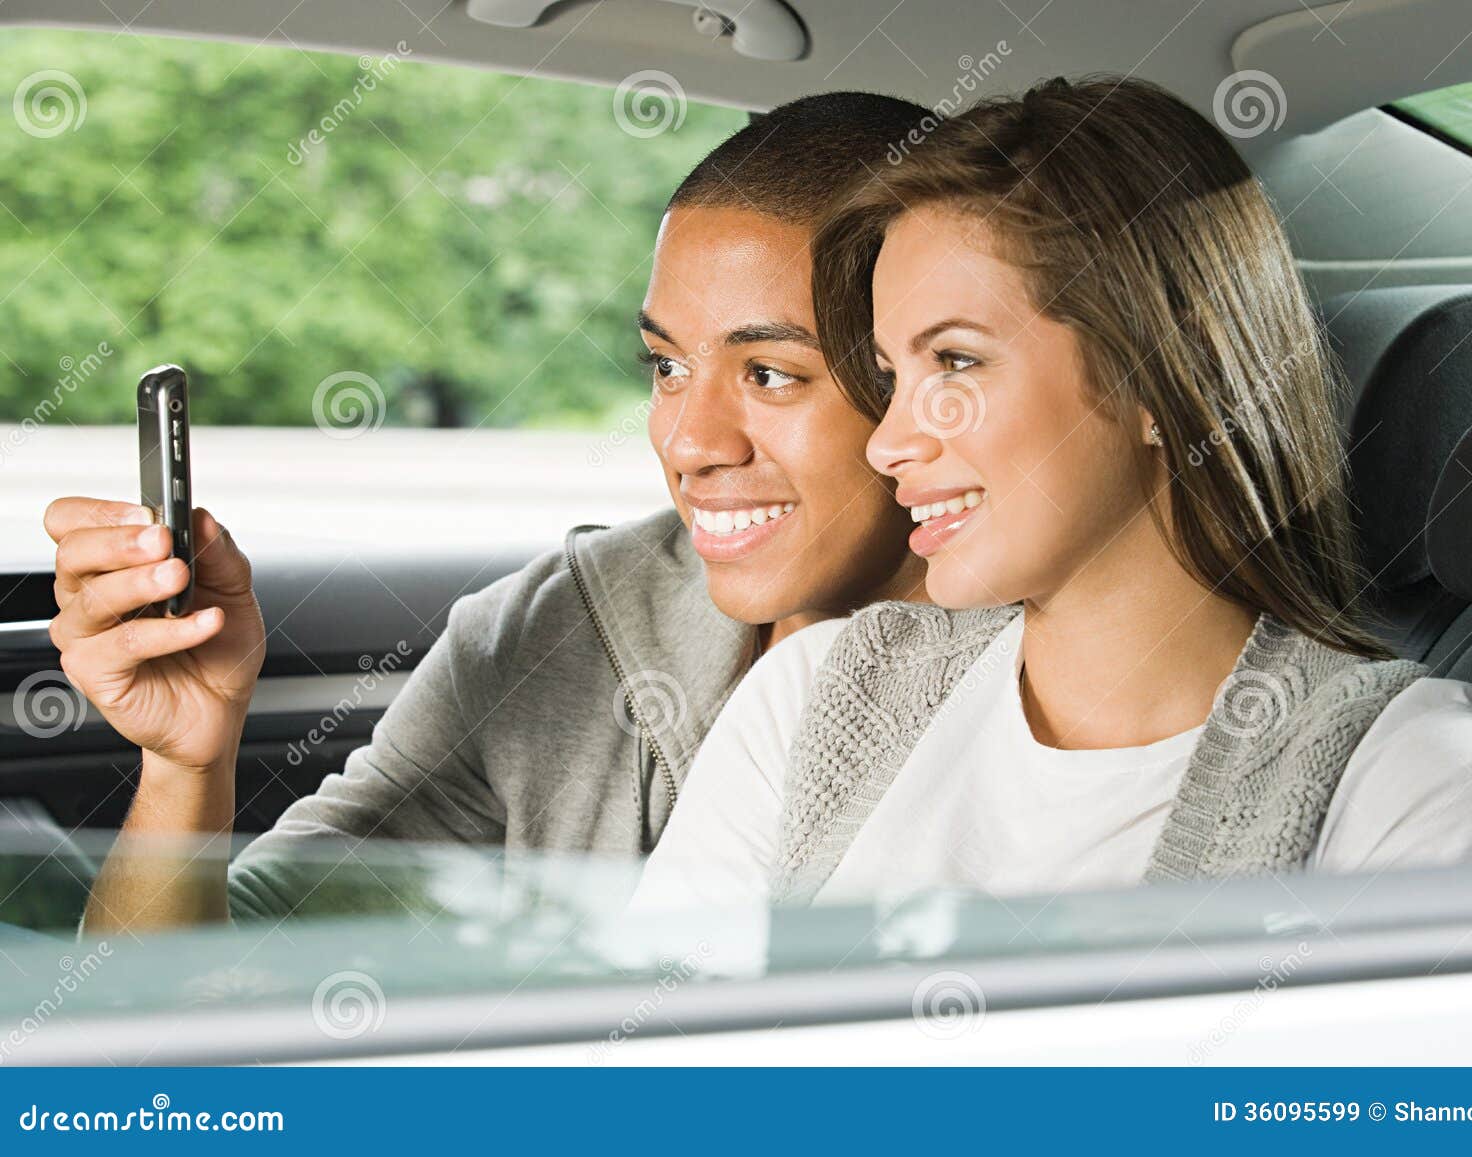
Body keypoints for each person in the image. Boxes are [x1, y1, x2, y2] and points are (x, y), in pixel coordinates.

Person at [630, 77, 1472, 912]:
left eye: (954, 360)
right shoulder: (813, 704)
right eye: (890, 374)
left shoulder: (1415, 789)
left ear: (1163, 375)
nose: (890, 440)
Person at [53, 92, 932, 932]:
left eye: (770, 373)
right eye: (666, 366)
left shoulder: (1041, 685)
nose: (689, 442)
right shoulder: (554, 629)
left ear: (925, 384)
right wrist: (184, 769)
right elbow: (203, 1000)